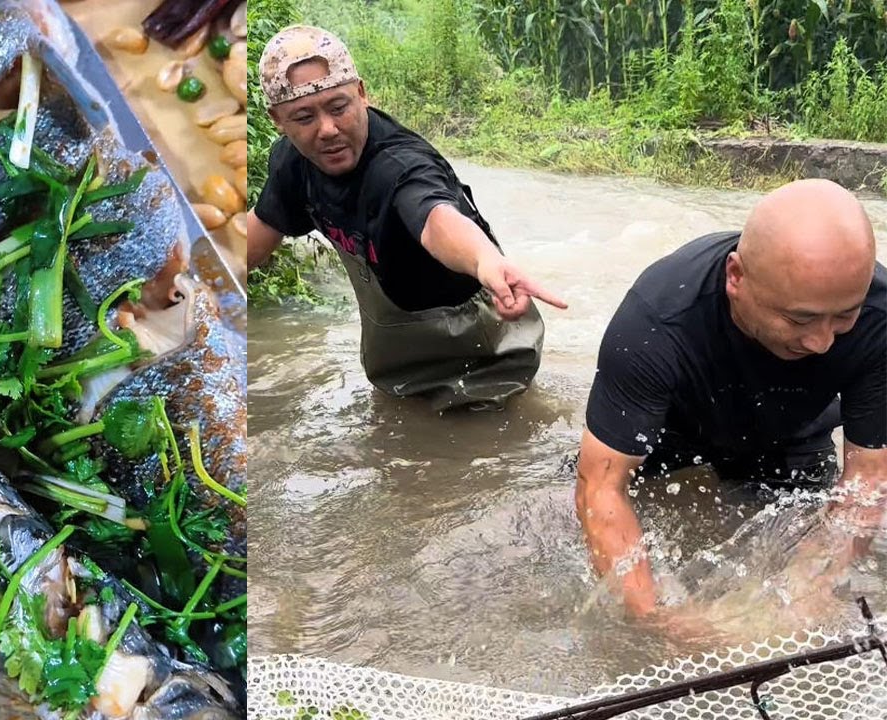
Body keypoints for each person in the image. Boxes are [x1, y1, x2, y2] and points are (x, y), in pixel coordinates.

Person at [576, 178, 887, 623]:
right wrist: (659, 619)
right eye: (799, 318)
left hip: (792, 436)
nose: (821, 342)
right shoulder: (656, 322)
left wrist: (805, 592)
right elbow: (600, 486)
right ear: (736, 277)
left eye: (845, 317)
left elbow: (868, 480)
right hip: (671, 438)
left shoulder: (880, 317)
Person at [246, 25, 566, 411]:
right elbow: (255, 237)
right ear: (277, 119)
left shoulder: (398, 165)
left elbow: (434, 218)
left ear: (362, 94)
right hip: (396, 355)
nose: (328, 129)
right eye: (304, 117)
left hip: (480, 352)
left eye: (339, 107)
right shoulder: (293, 165)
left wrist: (486, 261)